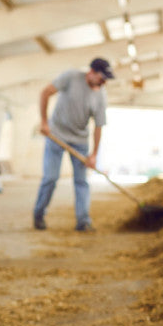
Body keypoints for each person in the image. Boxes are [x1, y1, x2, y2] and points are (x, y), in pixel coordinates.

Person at [32, 57, 114, 231]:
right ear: (91, 72)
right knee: (50, 178)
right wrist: (44, 122)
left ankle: (83, 221)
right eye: (101, 78)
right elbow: (45, 92)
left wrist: (93, 155)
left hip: (80, 141)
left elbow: (98, 126)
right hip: (56, 134)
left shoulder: (101, 95)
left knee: (81, 181)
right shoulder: (71, 77)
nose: (103, 82)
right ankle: (38, 215)